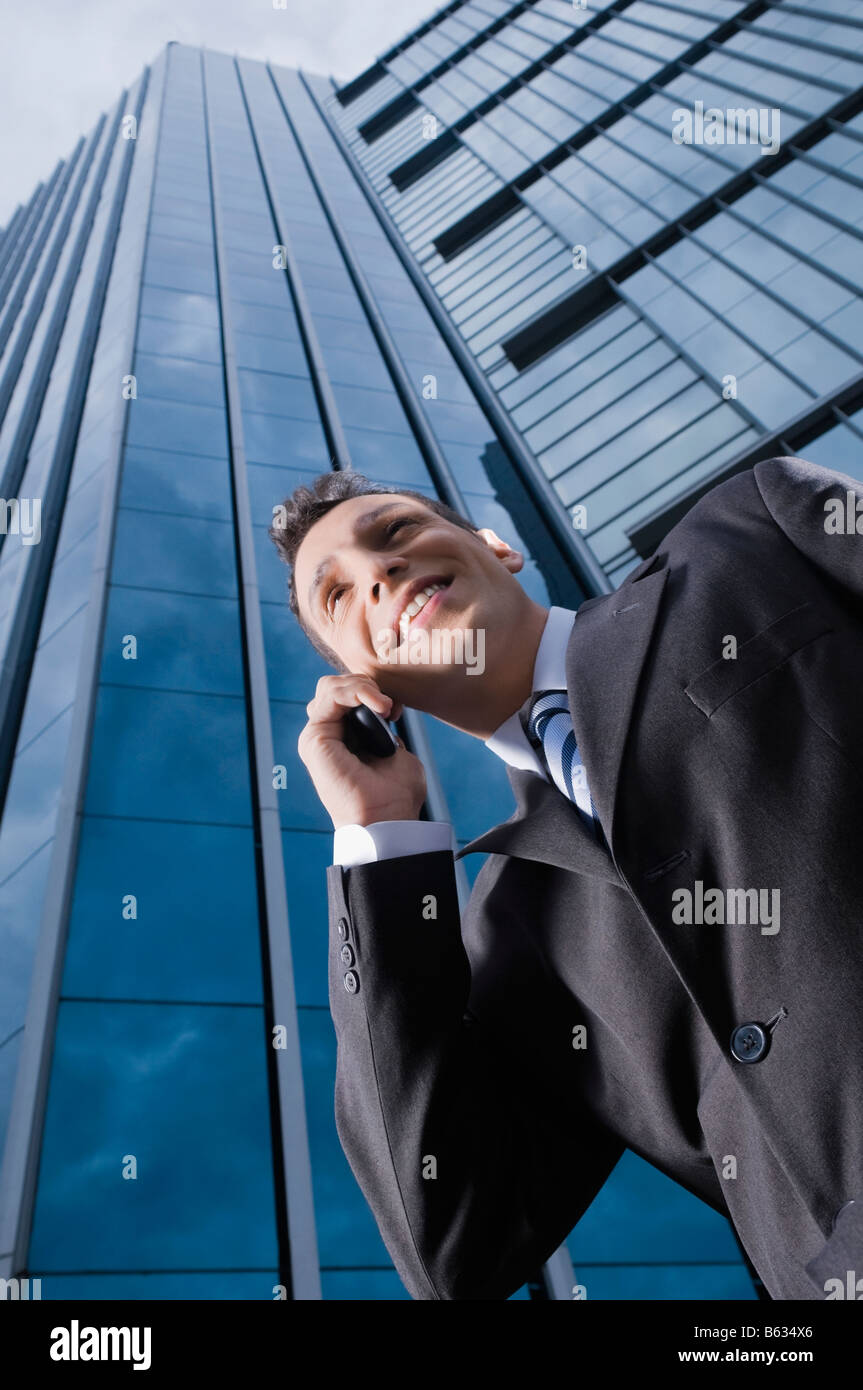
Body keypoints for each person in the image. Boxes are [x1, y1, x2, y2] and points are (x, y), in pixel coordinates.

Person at [270, 454, 863, 1301]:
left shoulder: (749, 529)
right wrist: (379, 838)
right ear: (363, 681)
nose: (380, 572)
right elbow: (453, 1254)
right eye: (338, 594)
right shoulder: (513, 933)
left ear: (496, 547)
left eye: (395, 532)